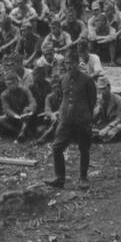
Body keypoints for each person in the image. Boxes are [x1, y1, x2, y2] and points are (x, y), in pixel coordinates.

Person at [49, 47, 98, 190]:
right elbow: (61, 97)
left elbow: (92, 100)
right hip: (65, 120)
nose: (68, 66)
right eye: (66, 63)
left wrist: (86, 116)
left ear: (77, 63)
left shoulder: (87, 80)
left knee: (84, 149)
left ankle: (83, 177)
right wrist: (63, 113)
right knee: (57, 148)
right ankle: (59, 178)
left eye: (71, 63)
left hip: (82, 120)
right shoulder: (63, 79)